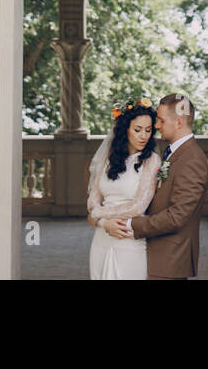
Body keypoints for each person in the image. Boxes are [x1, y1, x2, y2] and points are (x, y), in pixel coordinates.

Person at [108, 92, 208, 280]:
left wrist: (129, 224)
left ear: (178, 122)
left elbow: (176, 217)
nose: (156, 126)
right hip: (157, 255)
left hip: (169, 260)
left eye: (161, 120)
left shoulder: (192, 160)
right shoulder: (173, 152)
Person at [86, 97, 161, 280]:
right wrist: (104, 224)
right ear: (124, 130)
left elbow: (138, 207)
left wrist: (98, 214)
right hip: (101, 238)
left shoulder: (151, 160)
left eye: (148, 130)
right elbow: (92, 202)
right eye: (137, 130)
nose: (143, 136)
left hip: (129, 239)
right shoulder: (108, 158)